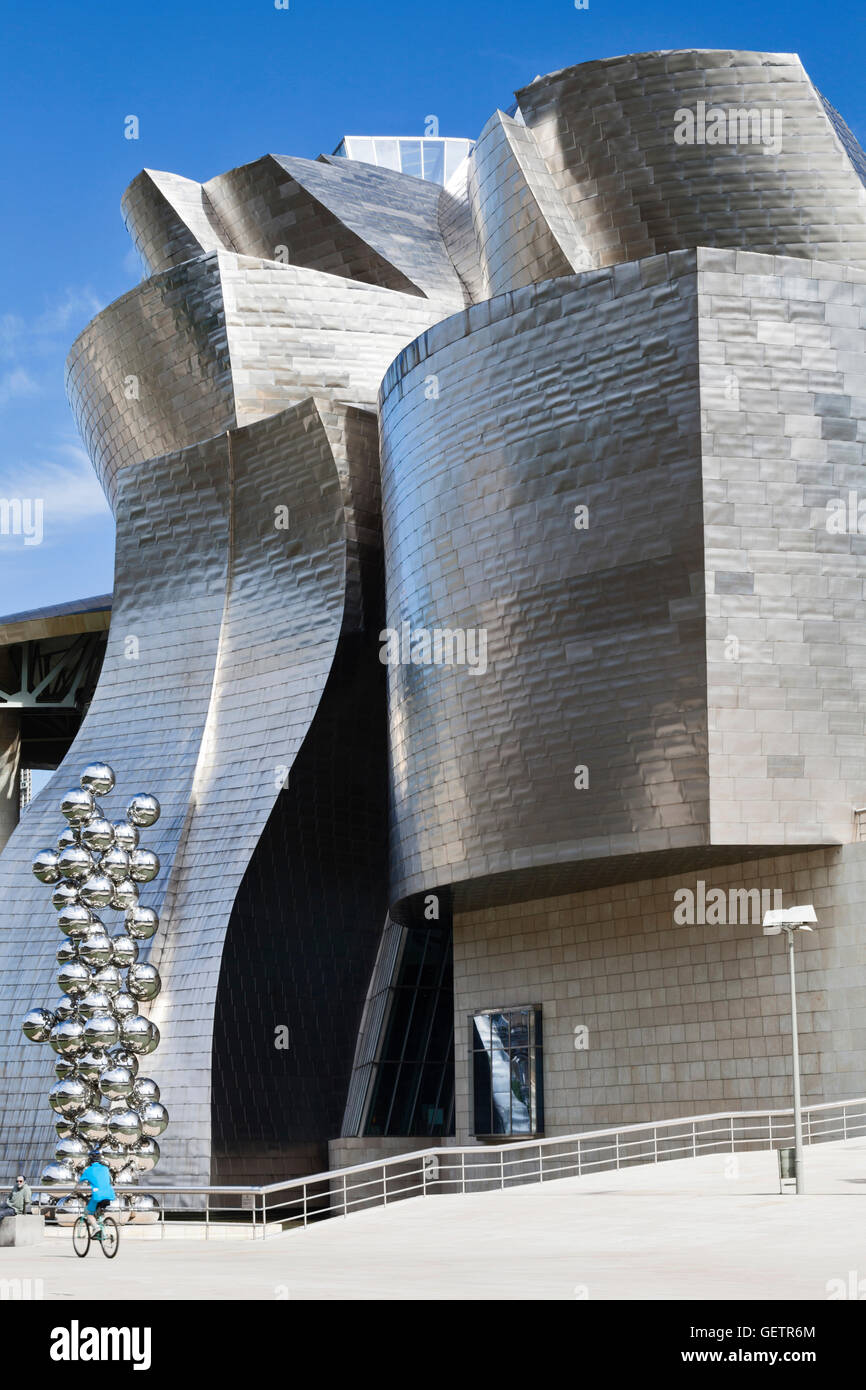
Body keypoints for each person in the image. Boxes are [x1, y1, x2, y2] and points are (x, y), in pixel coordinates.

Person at [78, 1150, 116, 1232]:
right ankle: (104, 1229)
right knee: (100, 1212)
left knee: (89, 1213)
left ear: (90, 1160)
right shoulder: (106, 1169)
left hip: (98, 1195)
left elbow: (79, 1184)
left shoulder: (88, 1170)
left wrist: (76, 1190)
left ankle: (96, 1228)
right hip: (109, 1194)